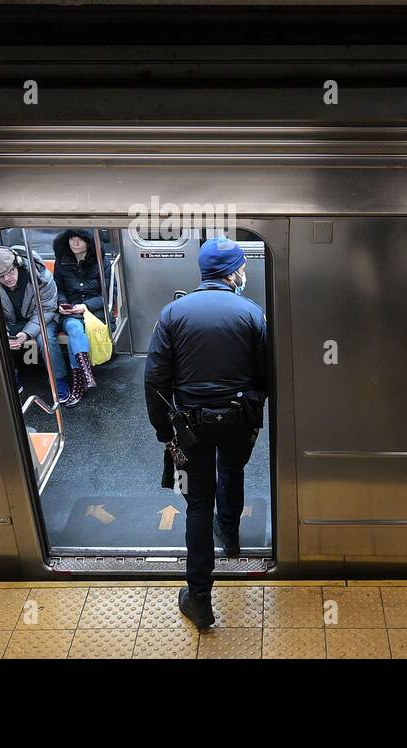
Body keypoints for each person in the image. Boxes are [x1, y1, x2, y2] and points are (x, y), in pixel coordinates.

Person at [145, 237, 268, 629]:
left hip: (190, 423)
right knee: (232, 471)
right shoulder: (251, 312)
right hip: (237, 419)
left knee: (198, 503)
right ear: (233, 273)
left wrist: (164, 429)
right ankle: (230, 534)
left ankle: (198, 597)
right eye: (242, 267)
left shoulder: (173, 313)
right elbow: (266, 373)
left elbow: (155, 379)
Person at [0, 245, 73, 406]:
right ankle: (10, 378)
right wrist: (5, 332)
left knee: (46, 340)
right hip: (11, 321)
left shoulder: (40, 277)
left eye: (10, 272)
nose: (7, 278)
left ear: (18, 264)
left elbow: (47, 308)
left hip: (41, 316)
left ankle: (59, 380)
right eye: (1, 277)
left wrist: (27, 334)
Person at [52, 229, 114, 401]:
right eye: (71, 239)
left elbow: (108, 296)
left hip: (95, 311)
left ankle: (79, 383)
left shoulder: (102, 262)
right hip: (71, 309)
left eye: (79, 239)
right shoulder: (61, 263)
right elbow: (60, 290)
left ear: (88, 243)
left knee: (74, 330)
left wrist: (85, 306)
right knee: (73, 327)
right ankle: (86, 375)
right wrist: (61, 304)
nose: (75, 243)